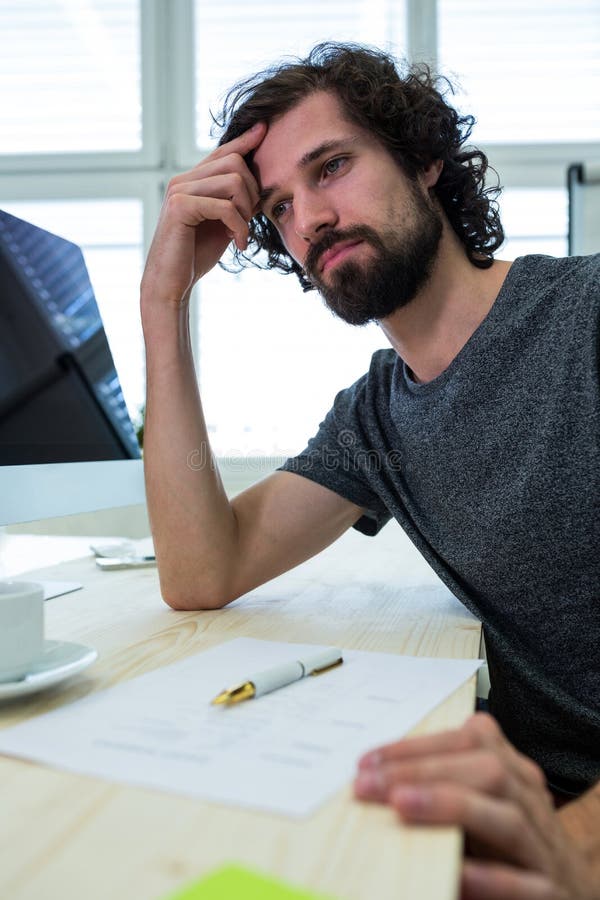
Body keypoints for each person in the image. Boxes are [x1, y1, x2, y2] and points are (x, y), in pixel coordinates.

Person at [140, 42, 600, 899]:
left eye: (334, 166)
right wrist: (162, 305)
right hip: (517, 809)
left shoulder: (585, 317)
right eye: (279, 205)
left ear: (424, 159)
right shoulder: (377, 418)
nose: (309, 218)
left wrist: (576, 848)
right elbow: (202, 571)